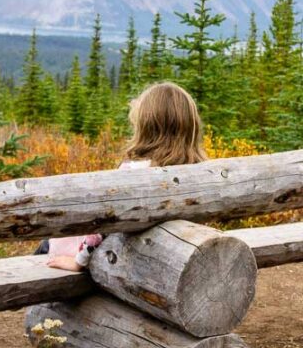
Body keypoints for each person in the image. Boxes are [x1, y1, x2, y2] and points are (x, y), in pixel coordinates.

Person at [44, 81, 208, 271]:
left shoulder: (134, 173)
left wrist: (78, 261)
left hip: (120, 260)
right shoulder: (201, 172)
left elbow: (102, 226)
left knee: (47, 246)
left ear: (146, 125)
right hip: (170, 260)